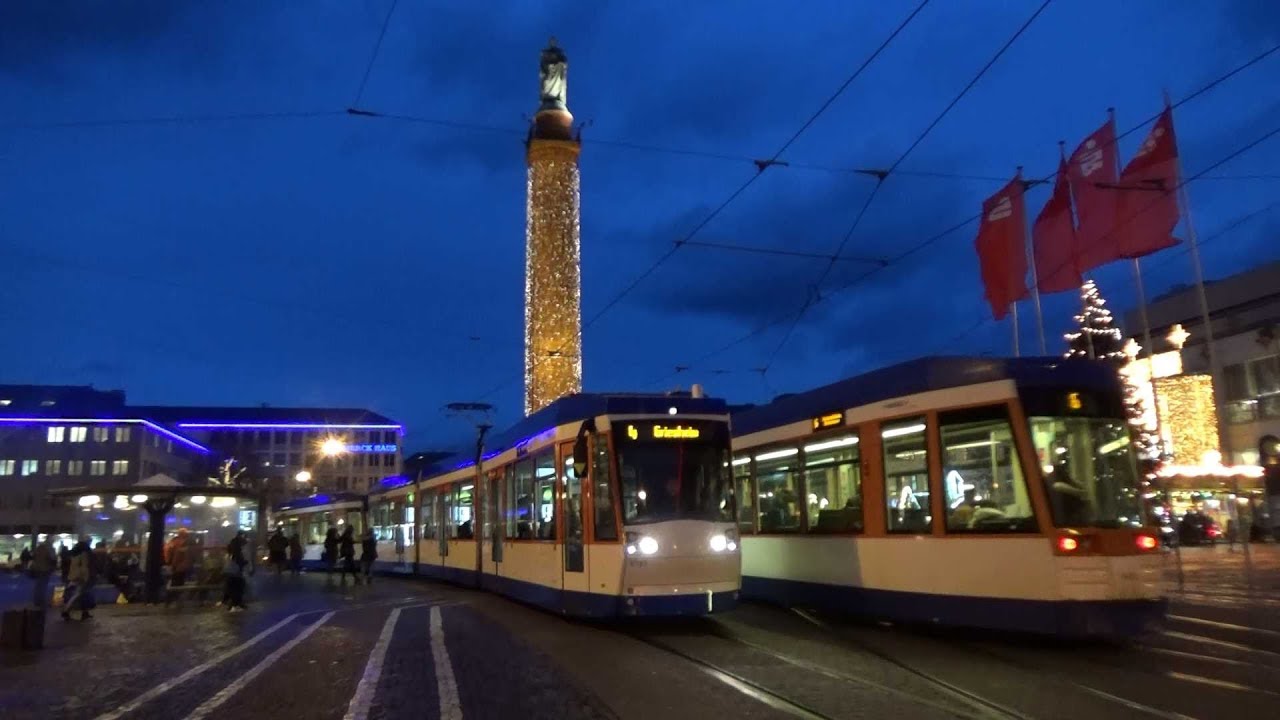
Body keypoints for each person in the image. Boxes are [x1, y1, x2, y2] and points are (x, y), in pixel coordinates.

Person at [61, 535, 95, 621]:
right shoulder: (84, 552)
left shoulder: (75, 552)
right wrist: (86, 577)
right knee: (77, 594)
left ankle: (84, 612)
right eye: (90, 541)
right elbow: (84, 566)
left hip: (74, 575)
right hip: (80, 577)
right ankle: (66, 611)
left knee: (82, 594)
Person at [222, 531, 249, 612]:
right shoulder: (238, 548)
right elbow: (239, 559)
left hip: (230, 571)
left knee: (233, 587)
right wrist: (244, 562)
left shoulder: (232, 545)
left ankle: (234, 604)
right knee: (238, 587)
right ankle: (235, 604)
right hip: (235, 571)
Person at [29, 537, 58, 609]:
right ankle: (41, 602)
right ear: (51, 540)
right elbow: (53, 559)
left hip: (37, 569)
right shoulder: (50, 548)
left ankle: (36, 601)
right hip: (46, 569)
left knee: (38, 585)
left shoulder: (39, 547)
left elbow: (33, 557)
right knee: (43, 586)